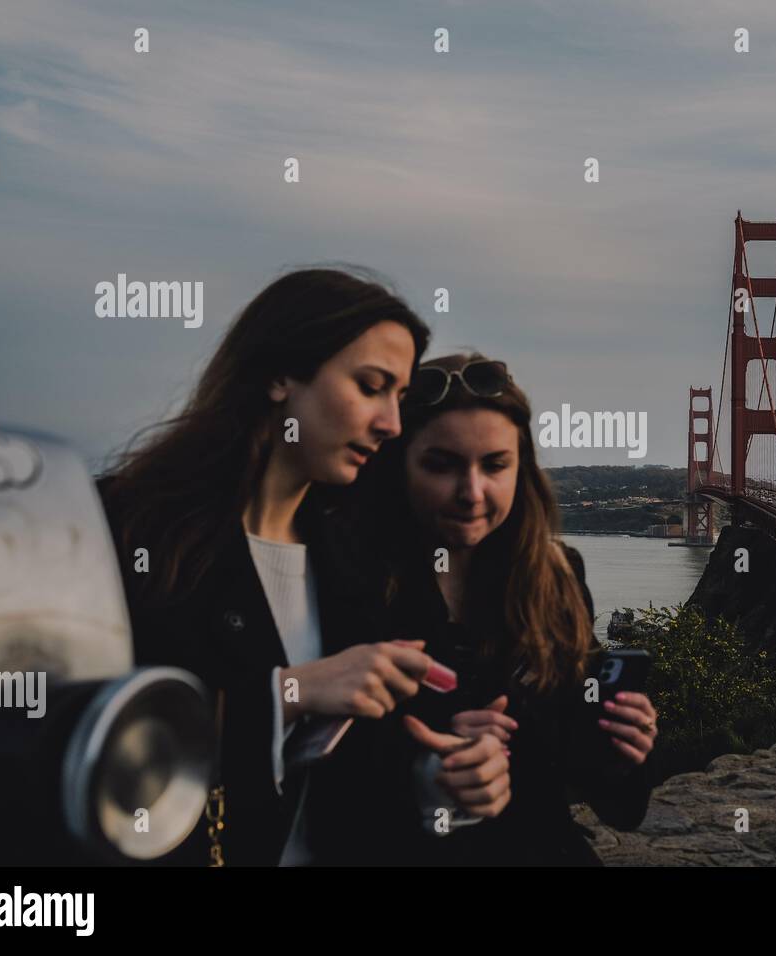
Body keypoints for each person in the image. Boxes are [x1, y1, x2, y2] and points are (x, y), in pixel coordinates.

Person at [97, 269, 511, 865]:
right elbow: (64, 733)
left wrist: (444, 780)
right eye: (371, 387)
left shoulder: (372, 566)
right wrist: (290, 694)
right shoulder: (127, 529)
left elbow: (371, 783)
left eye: (399, 397)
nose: (392, 424)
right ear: (278, 376)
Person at [313, 353, 658, 865]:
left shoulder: (558, 574)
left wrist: (623, 756)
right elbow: (309, 782)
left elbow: (610, 800)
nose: (472, 493)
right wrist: (425, 770)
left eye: (495, 465)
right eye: (441, 465)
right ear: (399, 463)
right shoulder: (341, 576)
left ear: (522, 466)